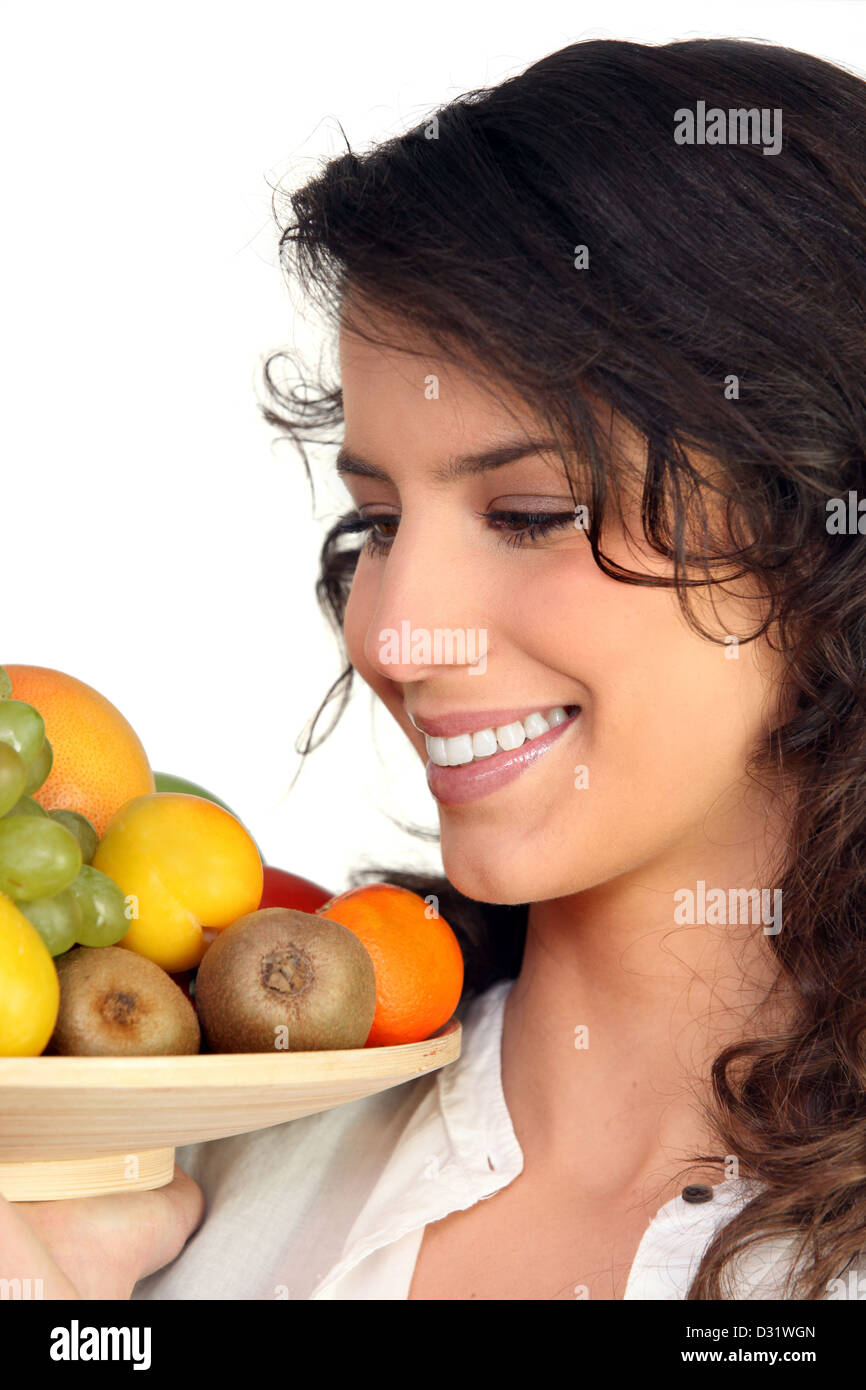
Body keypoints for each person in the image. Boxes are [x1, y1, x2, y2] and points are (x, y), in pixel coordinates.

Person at [6, 35, 866, 1300]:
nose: (395, 632)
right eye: (378, 521)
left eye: (526, 515)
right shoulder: (168, 1160)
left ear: (815, 526)